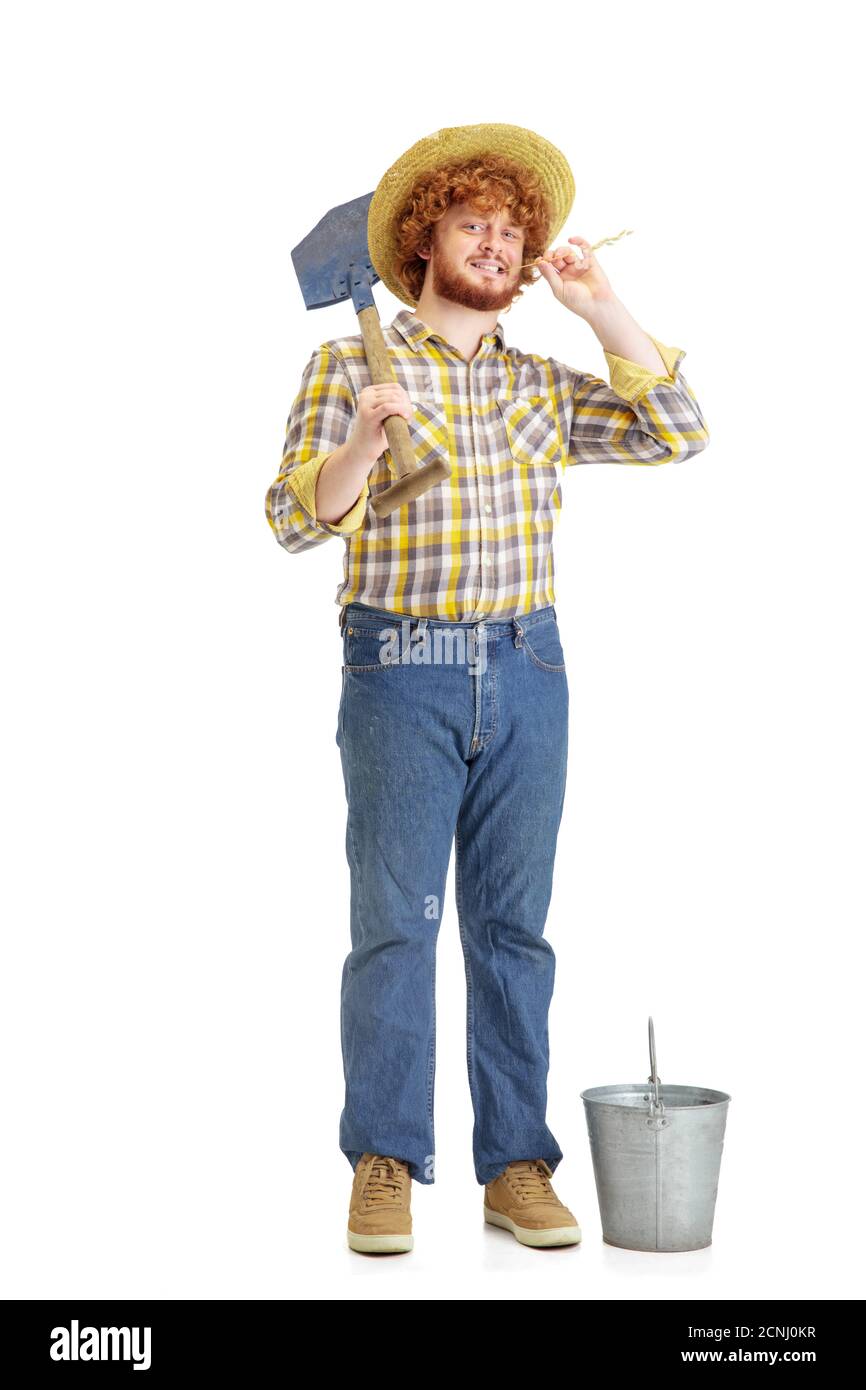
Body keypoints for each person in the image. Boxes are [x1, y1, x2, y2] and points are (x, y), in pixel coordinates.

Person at [264, 123, 710, 1254]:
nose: (498, 244)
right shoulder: (350, 368)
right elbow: (291, 519)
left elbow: (676, 430)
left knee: (513, 931)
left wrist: (601, 306)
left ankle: (515, 1164)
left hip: (527, 666)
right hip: (398, 669)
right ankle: (382, 1160)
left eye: (513, 231)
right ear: (423, 241)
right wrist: (364, 442)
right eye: (474, 224)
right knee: (394, 928)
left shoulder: (539, 384)